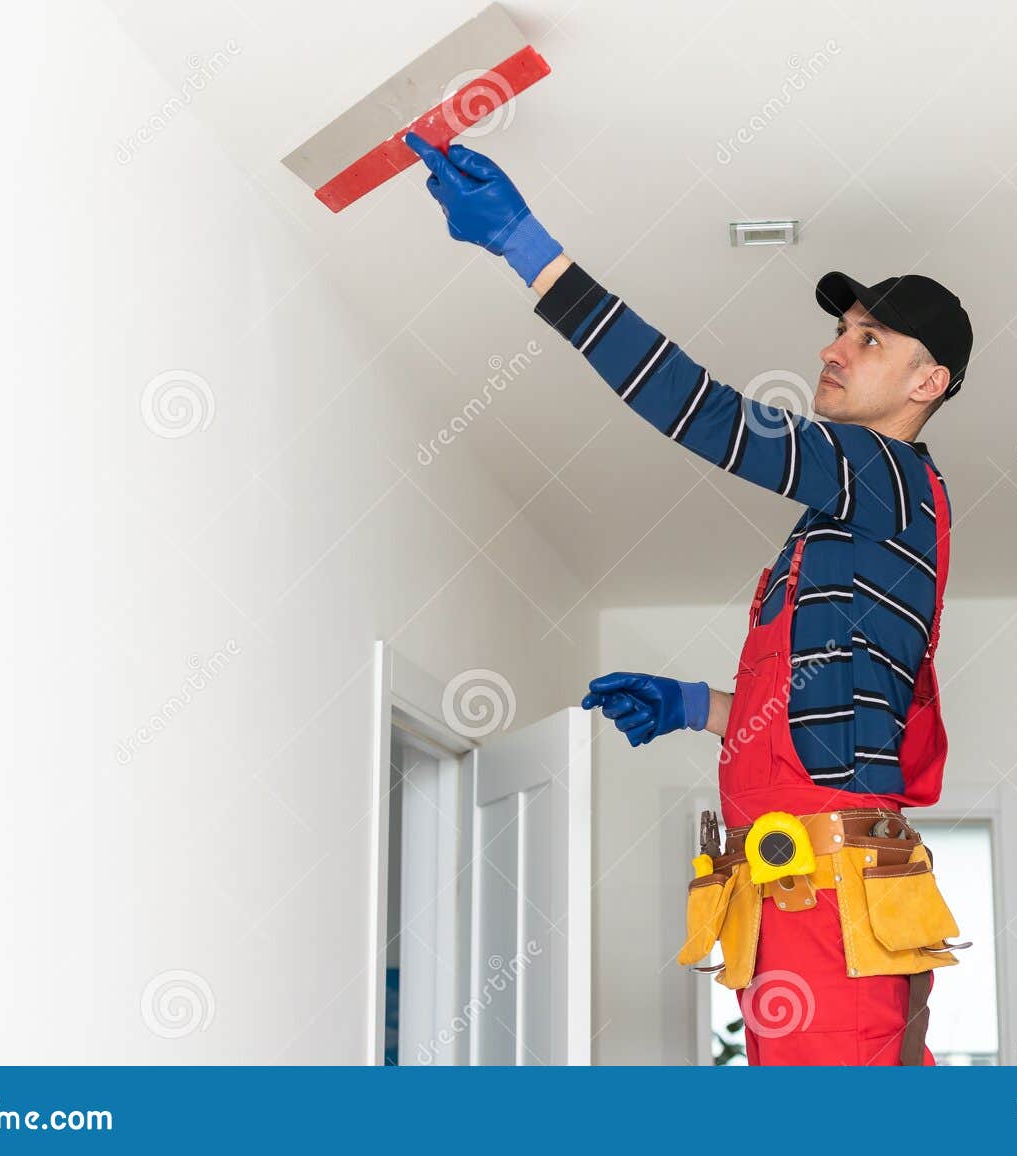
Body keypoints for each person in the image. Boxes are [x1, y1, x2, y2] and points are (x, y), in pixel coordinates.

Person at [405, 131, 972, 1066]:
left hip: (826, 900)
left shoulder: (880, 472)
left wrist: (529, 250)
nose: (836, 349)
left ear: (927, 383)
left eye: (870, 338)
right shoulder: (851, 520)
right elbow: (836, 705)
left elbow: (701, 410)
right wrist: (698, 708)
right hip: (799, 892)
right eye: (840, 328)